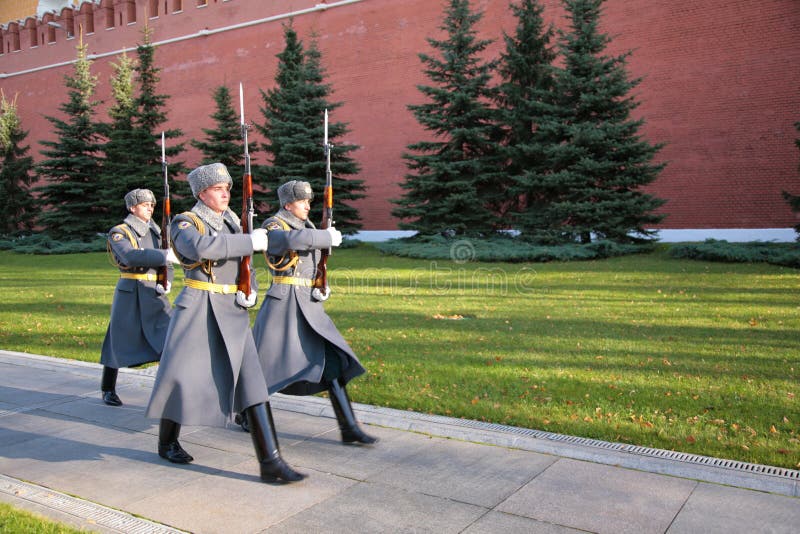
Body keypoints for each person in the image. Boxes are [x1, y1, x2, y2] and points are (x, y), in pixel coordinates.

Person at [145, 163, 305, 483]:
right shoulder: (186, 222)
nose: (225, 194)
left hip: (232, 311)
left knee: (252, 384)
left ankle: (270, 461)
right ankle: (166, 441)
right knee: (183, 380)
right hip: (199, 309)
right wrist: (251, 242)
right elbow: (201, 249)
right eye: (219, 189)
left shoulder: (233, 222)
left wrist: (251, 291)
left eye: (228, 188)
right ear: (202, 193)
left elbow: (245, 266)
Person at [247, 180, 377, 445]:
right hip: (282, 307)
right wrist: (325, 236)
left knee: (332, 362)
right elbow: (287, 241)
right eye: (302, 201)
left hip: (309, 305)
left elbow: (314, 262)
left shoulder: (308, 228)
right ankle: (244, 412)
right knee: (261, 369)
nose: (308, 205)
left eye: (309, 200)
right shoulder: (274, 225)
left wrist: (320, 286)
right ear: (287, 204)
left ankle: (349, 426)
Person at [100, 188, 178, 407]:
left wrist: (167, 278)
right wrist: (164, 255)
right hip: (131, 290)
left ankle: (169, 392)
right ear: (132, 207)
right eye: (145, 205)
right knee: (118, 341)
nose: (150, 209)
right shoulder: (120, 231)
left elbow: (167, 261)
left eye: (152, 205)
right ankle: (108, 387)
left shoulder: (156, 231)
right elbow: (130, 255)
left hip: (153, 290)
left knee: (169, 339)